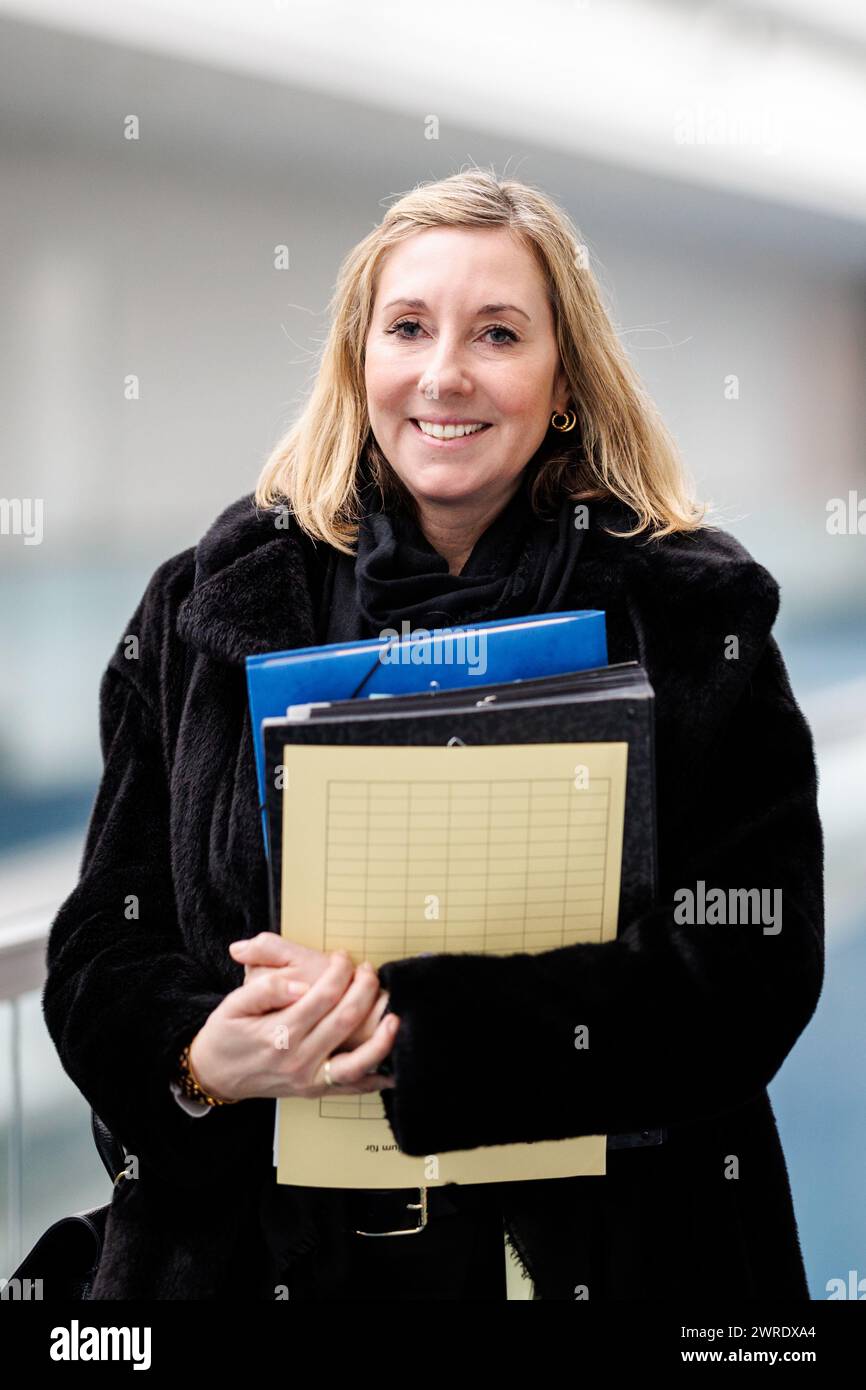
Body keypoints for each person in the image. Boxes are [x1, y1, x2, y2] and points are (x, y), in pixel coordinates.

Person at [42, 168, 824, 1301]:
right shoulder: (208, 606)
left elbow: (749, 964)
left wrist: (417, 1032)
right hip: (259, 1257)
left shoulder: (688, 615)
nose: (443, 372)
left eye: (497, 333)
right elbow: (101, 943)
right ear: (360, 361)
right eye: (406, 327)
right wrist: (196, 1060)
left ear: (562, 379)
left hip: (600, 1253)